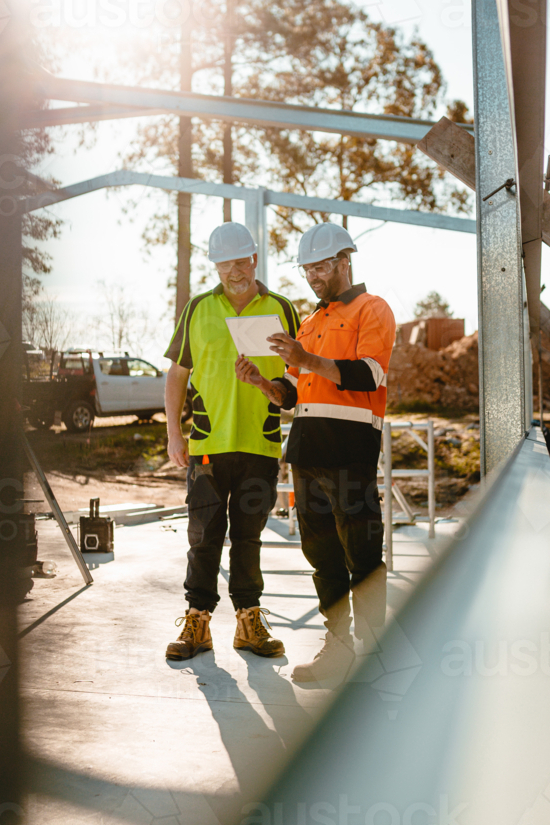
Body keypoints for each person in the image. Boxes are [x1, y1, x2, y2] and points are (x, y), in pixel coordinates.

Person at [235, 224, 396, 683]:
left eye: (320, 267)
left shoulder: (373, 308)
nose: (312, 277)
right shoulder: (309, 323)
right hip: (306, 451)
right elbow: (291, 394)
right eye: (306, 269)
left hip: (350, 452)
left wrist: (304, 359)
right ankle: (339, 648)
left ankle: (373, 657)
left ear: (344, 262)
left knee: (362, 557)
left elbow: (368, 375)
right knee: (322, 557)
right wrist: (261, 383)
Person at [164, 221, 300, 662]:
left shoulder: (282, 308)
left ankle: (248, 622)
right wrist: (173, 433)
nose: (234, 272)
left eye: (241, 262)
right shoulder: (198, 308)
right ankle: (197, 622)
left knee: (248, 537)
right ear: (216, 266)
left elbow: (297, 379)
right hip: (207, 443)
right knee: (203, 536)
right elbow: (178, 374)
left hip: (260, 445)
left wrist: (268, 387)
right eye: (225, 264)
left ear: (254, 259)